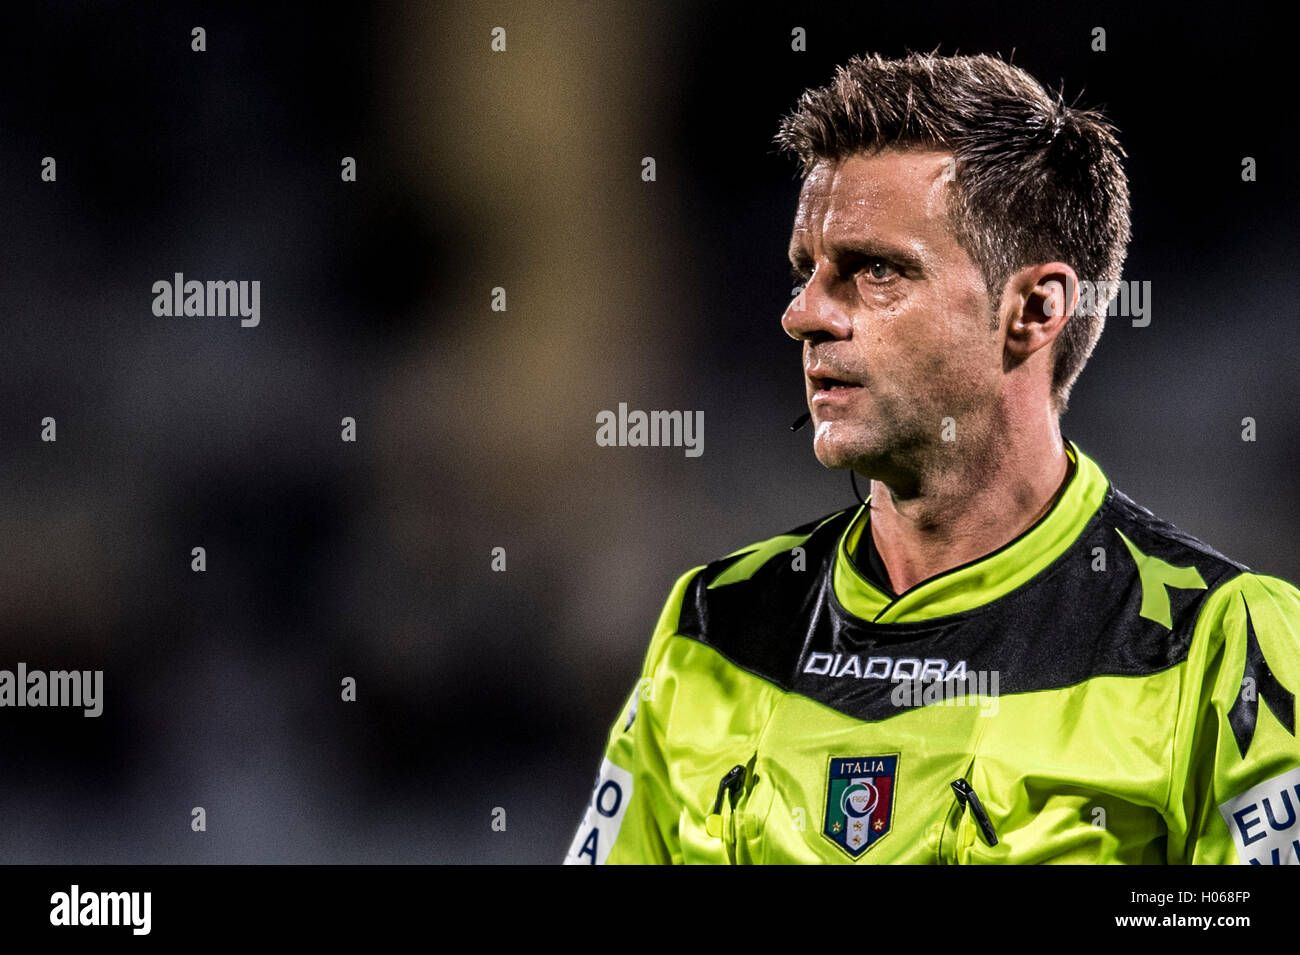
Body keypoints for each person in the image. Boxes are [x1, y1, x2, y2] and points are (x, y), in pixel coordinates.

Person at [564, 51, 1300, 864]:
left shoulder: (1223, 644)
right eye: (807, 270)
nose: (802, 313)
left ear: (1032, 309)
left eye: (874, 269)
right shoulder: (713, 627)